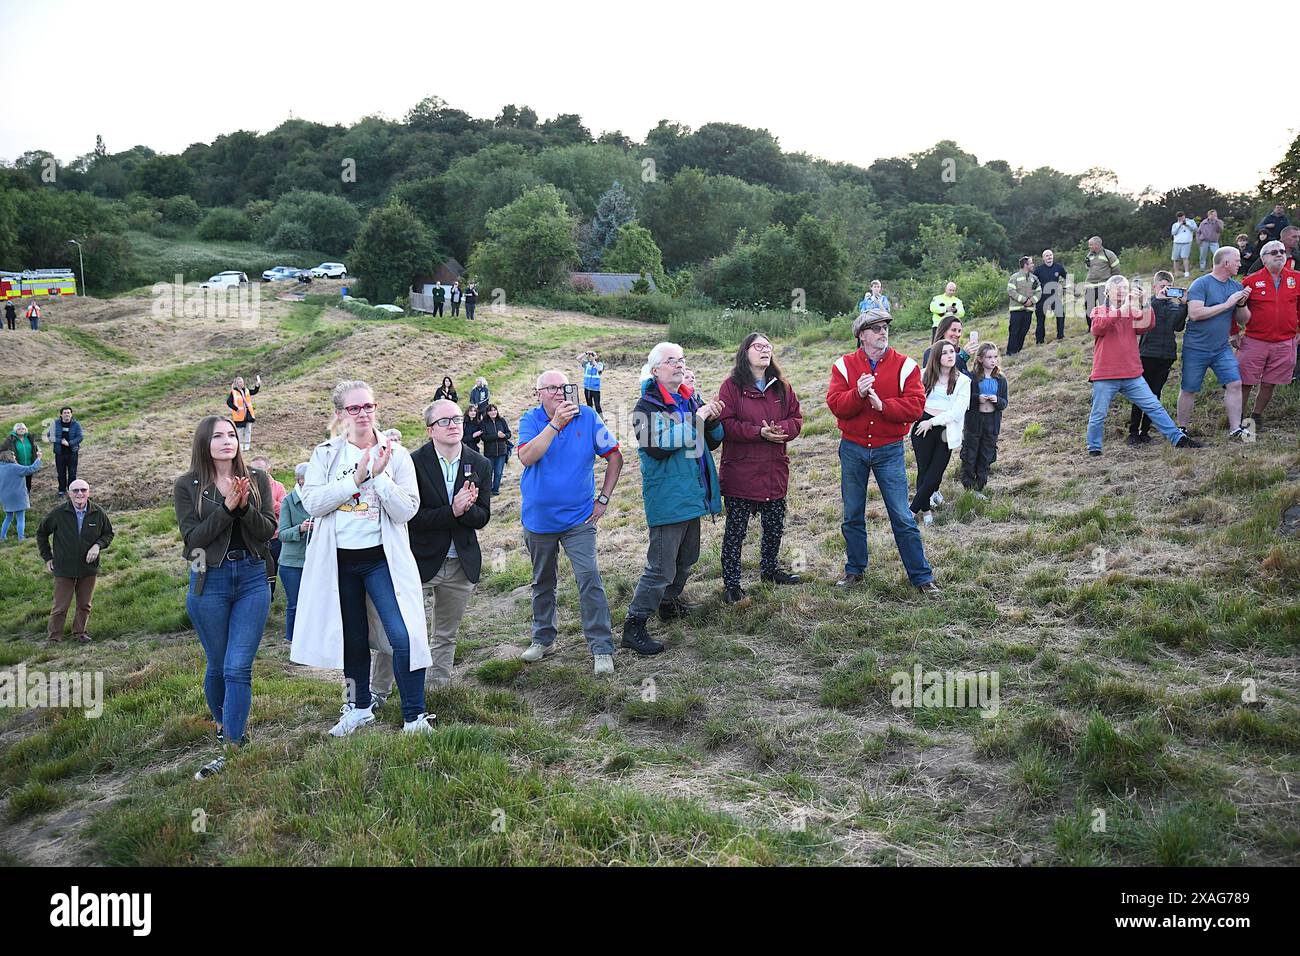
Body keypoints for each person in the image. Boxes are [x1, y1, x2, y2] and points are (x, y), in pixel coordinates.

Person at [291, 381, 434, 737]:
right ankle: (358, 707)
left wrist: (380, 477)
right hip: (339, 562)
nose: (363, 414)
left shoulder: (397, 454)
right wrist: (356, 480)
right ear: (340, 414)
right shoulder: (325, 455)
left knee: (403, 635)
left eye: (368, 406)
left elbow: (407, 511)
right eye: (354, 409)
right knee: (352, 639)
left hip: (381, 560)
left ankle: (415, 716)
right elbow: (313, 503)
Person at [173, 416, 276, 780]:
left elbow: (268, 532)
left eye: (231, 434)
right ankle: (223, 725)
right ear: (204, 442)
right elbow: (194, 540)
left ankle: (233, 746)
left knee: (237, 667)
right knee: (217, 665)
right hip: (208, 581)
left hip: (251, 577)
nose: (227, 440)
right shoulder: (187, 485)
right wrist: (226, 509)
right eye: (217, 436)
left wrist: (245, 508)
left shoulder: (258, 479)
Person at [373, 399, 491, 693]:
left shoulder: (480, 463)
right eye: (444, 421)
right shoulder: (413, 462)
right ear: (430, 429)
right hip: (419, 560)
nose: (453, 425)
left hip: (460, 564)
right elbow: (409, 517)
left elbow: (482, 517)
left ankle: (437, 690)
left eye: (457, 419)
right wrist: (453, 511)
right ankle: (378, 692)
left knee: (446, 635)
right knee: (398, 632)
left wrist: (467, 509)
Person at [516, 370, 623, 674]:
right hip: (539, 520)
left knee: (589, 577)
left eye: (564, 387)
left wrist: (603, 499)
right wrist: (555, 424)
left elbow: (615, 456)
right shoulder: (530, 420)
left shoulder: (588, 417)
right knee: (543, 581)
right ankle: (543, 639)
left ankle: (601, 647)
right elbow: (527, 457)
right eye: (551, 388)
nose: (560, 393)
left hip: (579, 518)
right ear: (539, 393)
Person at [621, 343, 724, 654]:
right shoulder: (645, 407)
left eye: (682, 360)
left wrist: (712, 417)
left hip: (693, 493)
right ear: (655, 371)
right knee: (661, 567)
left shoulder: (688, 399)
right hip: (667, 498)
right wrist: (698, 418)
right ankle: (634, 624)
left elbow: (714, 442)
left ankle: (668, 603)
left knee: (687, 557)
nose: (679, 365)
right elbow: (659, 446)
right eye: (671, 361)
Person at [826, 309, 938, 595]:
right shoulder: (843, 365)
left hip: (889, 450)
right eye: (875, 328)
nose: (882, 332)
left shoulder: (906, 365)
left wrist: (883, 406)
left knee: (901, 514)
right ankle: (855, 570)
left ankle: (922, 577)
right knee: (852, 513)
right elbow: (836, 404)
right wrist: (858, 394)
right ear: (861, 335)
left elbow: (916, 407)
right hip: (852, 448)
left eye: (885, 327)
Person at [717, 333, 803, 604]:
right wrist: (758, 432)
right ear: (745, 352)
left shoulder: (782, 386)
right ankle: (732, 585)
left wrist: (782, 430)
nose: (765, 350)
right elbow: (725, 425)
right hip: (741, 471)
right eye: (758, 346)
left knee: (774, 525)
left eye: (768, 347)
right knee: (736, 530)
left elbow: (796, 419)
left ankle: (770, 570)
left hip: (773, 469)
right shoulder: (731, 387)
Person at [1088, 276, 1199, 456]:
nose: (1123, 291)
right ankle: (1094, 448)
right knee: (1099, 413)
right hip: (1105, 374)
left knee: (1154, 406)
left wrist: (1146, 303)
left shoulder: (1131, 311)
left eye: (1125, 287)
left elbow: (1147, 325)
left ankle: (1178, 438)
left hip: (1131, 373)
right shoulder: (1099, 310)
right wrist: (1124, 308)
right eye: (1119, 288)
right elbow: (1099, 327)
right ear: (1107, 292)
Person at [1178, 246, 1250, 441]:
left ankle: (1236, 429)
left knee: (1235, 383)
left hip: (1221, 348)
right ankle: (1182, 429)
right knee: (1189, 388)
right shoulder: (1201, 284)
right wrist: (1227, 304)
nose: (1240, 264)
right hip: (1196, 347)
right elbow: (1195, 313)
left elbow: (1244, 320)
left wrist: (1241, 304)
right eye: (1237, 260)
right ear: (1225, 263)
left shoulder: (1236, 287)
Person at [38, 479, 113, 644]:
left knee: (85, 604)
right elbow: (41, 533)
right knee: (60, 607)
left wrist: (97, 546)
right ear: (69, 494)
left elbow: (108, 534)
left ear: (89, 492)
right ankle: (54, 638)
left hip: (88, 568)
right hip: (64, 567)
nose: (80, 494)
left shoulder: (98, 512)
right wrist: (47, 557)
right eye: (76, 491)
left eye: (83, 490)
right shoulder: (58, 513)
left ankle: (80, 633)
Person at [1235, 240, 1299, 431]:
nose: (1279, 254)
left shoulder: (1296, 278)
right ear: (1263, 259)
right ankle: (1238, 418)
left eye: (1281, 251)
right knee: (1245, 382)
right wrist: (1233, 333)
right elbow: (1236, 309)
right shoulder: (1250, 281)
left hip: (1285, 341)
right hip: (1255, 340)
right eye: (1274, 252)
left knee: (1270, 382)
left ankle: (1256, 416)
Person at [911, 340, 971, 525]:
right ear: (937, 356)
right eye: (945, 353)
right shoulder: (922, 376)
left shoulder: (962, 380)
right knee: (924, 470)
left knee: (935, 475)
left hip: (945, 429)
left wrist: (932, 422)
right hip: (922, 427)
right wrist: (923, 420)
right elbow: (911, 399)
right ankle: (926, 510)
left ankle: (911, 511)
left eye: (952, 352)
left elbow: (957, 412)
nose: (950, 355)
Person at [1127, 271, 1187, 444]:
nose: (1165, 290)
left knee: (1155, 394)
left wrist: (1184, 305)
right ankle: (1133, 432)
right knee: (1140, 395)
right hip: (1146, 354)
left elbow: (1178, 326)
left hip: (1166, 355)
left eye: (1169, 287)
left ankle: (1145, 431)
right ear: (1155, 287)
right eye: (1162, 286)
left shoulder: (1175, 306)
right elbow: (1141, 321)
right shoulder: (1148, 303)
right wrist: (1156, 300)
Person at [960, 344, 1009, 495]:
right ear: (980, 359)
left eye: (995, 357)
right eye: (989, 357)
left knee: (987, 453)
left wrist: (997, 400)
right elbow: (965, 400)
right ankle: (969, 486)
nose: (993, 360)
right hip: (974, 422)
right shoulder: (972, 378)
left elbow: (1004, 403)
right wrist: (977, 399)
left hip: (991, 423)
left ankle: (980, 486)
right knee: (970, 453)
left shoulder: (1000, 380)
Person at [275, 463, 312, 642]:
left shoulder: (319, 499)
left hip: (315, 562)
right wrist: (301, 528)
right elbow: (282, 534)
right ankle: (292, 642)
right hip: (292, 564)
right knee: (296, 605)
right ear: (300, 480)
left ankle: (312, 642)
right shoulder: (288, 501)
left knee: (314, 606)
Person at [249, 455, 286, 597]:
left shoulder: (278, 487)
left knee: (272, 573)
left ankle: (268, 601)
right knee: (255, 573)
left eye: (258, 469)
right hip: (253, 540)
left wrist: (269, 503)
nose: (254, 473)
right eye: (251, 469)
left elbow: (284, 510)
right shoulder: (247, 486)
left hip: (274, 539)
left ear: (268, 470)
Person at [0, 446, 42, 540]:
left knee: (8, 517)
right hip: (18, 496)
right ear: (9, 457)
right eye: (13, 456)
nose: (15, 457)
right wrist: (38, 459)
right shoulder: (15, 467)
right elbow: (31, 469)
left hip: (5, 497)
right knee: (20, 517)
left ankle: (2, 537)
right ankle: (21, 538)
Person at [1006, 256, 1041, 355]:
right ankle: (1010, 352)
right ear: (1026, 265)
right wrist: (1024, 300)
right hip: (1016, 310)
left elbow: (1039, 292)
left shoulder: (1034, 279)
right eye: (1031, 263)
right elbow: (1011, 291)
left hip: (1028, 310)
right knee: (1014, 331)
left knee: (1024, 331)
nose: (1033, 265)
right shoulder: (1014, 277)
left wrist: (1032, 301)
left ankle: (1018, 350)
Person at [1083, 236, 1121, 328]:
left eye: (1091, 245)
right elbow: (1088, 268)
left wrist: (1112, 283)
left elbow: (1116, 269)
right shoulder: (1089, 255)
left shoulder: (1108, 254)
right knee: (1089, 307)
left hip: (1103, 285)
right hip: (1090, 286)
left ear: (1097, 245)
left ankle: (1104, 325)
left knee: (1104, 307)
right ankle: (1091, 327)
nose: (1089, 246)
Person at [1033, 249, 1068, 343]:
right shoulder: (1038, 270)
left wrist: (1067, 286)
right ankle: (1039, 341)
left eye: (1051, 255)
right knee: (1040, 319)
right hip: (1042, 298)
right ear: (1043, 258)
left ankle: (1060, 336)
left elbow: (1067, 276)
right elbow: (1033, 284)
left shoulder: (1058, 267)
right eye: (1047, 256)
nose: (1049, 257)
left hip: (1054, 296)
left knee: (1061, 314)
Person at [480, 404, 512, 496]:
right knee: (489, 473)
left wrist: (505, 436)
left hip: (502, 451)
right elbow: (484, 438)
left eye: (495, 410)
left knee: (498, 473)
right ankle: (487, 491)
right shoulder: (483, 423)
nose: (493, 412)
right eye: (491, 410)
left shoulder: (501, 421)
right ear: (487, 412)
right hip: (489, 452)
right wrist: (496, 436)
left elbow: (509, 433)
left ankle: (495, 490)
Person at [50, 407, 83, 497]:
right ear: (61, 414)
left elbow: (80, 437)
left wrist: (70, 443)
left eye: (68, 412)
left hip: (72, 453)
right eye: (65, 413)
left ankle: (71, 490)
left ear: (71, 414)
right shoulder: (55, 424)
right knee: (61, 473)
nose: (67, 414)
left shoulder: (76, 424)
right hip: (59, 453)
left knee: (72, 473)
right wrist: (60, 441)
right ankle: (62, 490)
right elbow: (50, 436)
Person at [226, 375, 261, 452]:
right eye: (240, 382)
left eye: (242, 382)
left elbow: (254, 391)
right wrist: (236, 409)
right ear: (236, 383)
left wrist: (257, 385)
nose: (242, 383)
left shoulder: (246, 390)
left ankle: (247, 447)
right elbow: (229, 402)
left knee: (248, 431)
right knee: (240, 432)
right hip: (239, 416)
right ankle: (240, 447)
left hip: (248, 414)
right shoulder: (234, 392)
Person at [3, 422, 39, 493]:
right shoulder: (10, 439)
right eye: (19, 429)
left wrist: (37, 453)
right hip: (16, 466)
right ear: (15, 430)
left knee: (28, 483)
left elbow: (35, 448)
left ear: (26, 430)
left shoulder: (30, 437)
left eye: (23, 428)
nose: (21, 430)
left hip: (29, 465)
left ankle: (27, 496)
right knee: (19, 484)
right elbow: (3, 449)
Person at [1170, 211, 1197, 278]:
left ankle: (1186, 272)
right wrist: (1180, 225)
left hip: (1186, 242)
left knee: (1185, 257)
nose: (1181, 218)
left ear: (1184, 216)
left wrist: (1187, 224)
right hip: (1177, 243)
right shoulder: (1175, 224)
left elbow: (1195, 229)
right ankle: (1176, 272)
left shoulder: (1190, 221)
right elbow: (1173, 233)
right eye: (1179, 217)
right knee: (1175, 258)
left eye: (1182, 216)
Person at [579, 350, 605, 415]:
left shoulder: (600, 364)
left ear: (596, 357)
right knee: (589, 405)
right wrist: (586, 353)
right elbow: (578, 358)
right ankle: (591, 419)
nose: (591, 356)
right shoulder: (586, 364)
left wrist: (593, 360)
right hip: (587, 389)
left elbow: (599, 369)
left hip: (595, 389)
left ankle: (601, 419)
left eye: (593, 355)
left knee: (597, 405)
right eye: (590, 355)